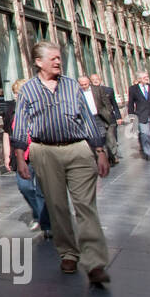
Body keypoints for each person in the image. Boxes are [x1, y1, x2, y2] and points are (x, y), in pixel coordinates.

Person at [11, 42, 112, 284]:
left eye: (59, 58)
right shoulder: (28, 90)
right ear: (38, 62)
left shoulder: (71, 86)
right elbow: (21, 125)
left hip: (77, 149)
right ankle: (68, 253)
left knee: (85, 206)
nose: (58, 61)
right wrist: (20, 159)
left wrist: (99, 150)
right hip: (44, 152)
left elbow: (87, 119)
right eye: (53, 58)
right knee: (57, 206)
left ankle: (95, 262)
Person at [9, 78, 51, 237]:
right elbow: (8, 133)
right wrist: (9, 154)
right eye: (15, 93)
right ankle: (39, 213)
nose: (16, 96)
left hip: (39, 153)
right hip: (21, 155)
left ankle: (46, 224)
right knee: (24, 186)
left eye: (18, 93)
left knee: (41, 191)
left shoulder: (39, 108)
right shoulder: (12, 111)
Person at [88, 72, 122, 165]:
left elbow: (114, 104)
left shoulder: (108, 90)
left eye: (97, 79)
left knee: (110, 137)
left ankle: (114, 156)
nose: (95, 81)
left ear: (100, 80)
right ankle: (105, 157)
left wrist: (118, 116)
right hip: (97, 119)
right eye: (93, 79)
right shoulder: (88, 92)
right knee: (101, 139)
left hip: (109, 118)